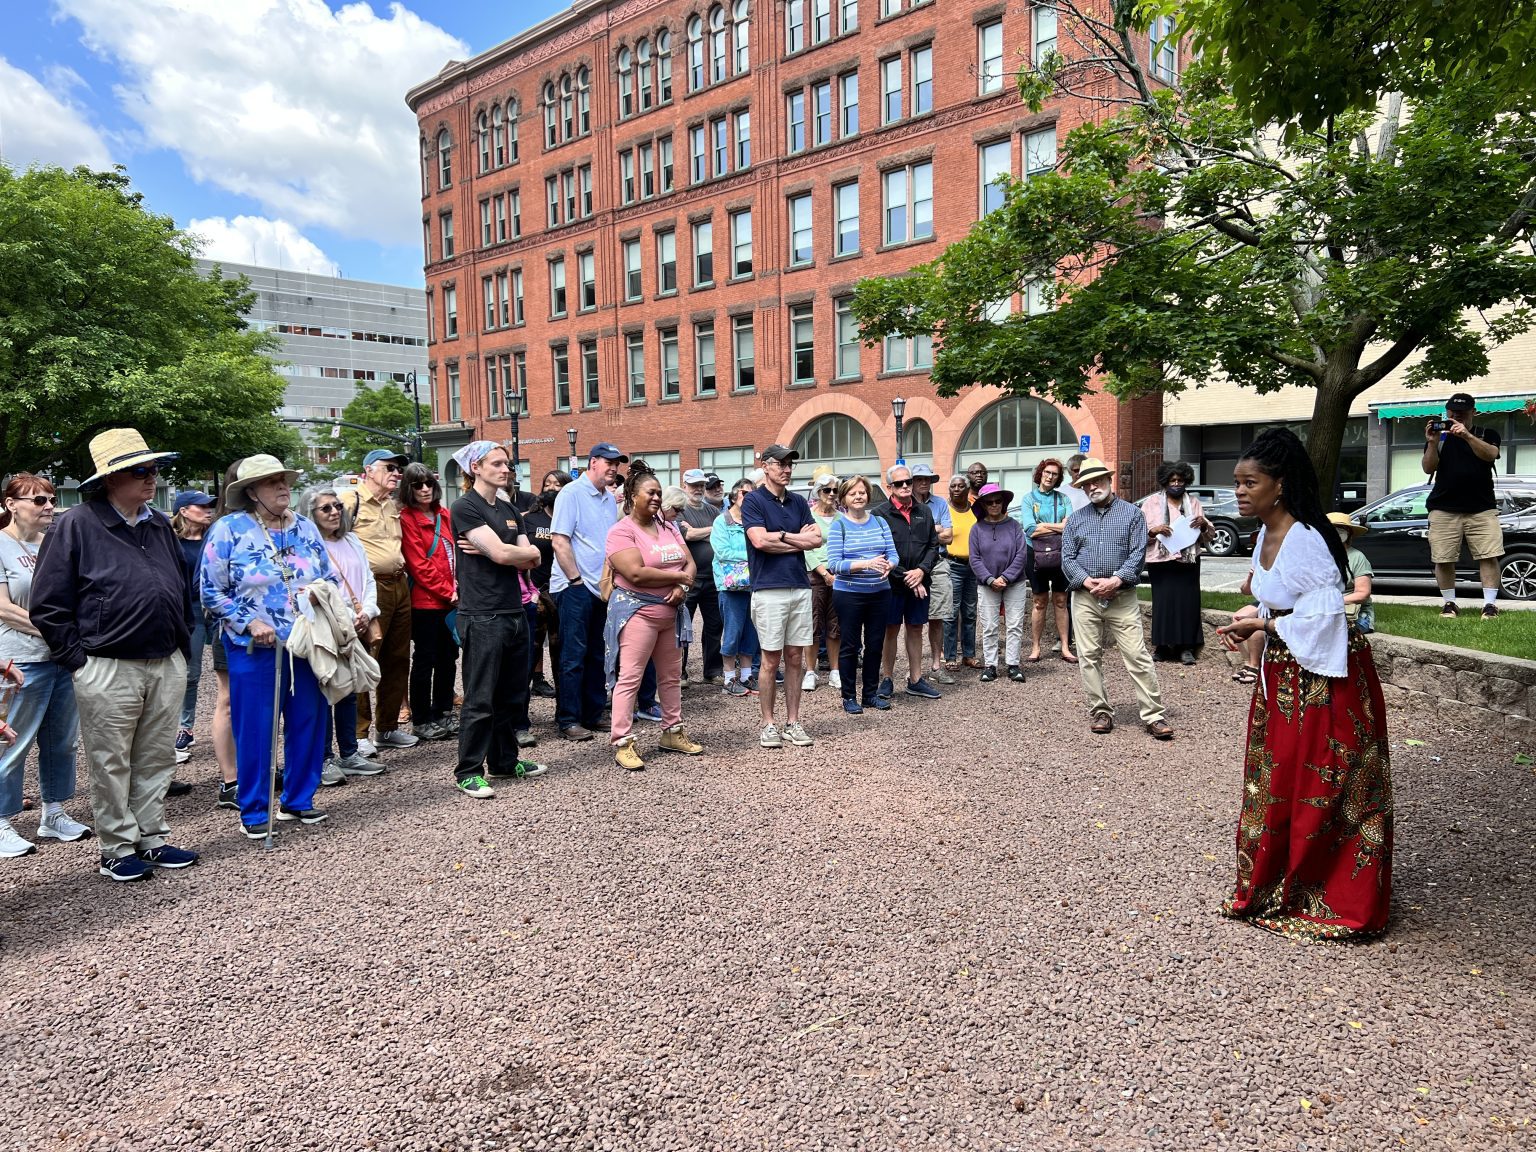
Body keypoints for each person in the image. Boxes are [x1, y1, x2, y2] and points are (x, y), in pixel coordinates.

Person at [1215, 428, 1393, 939]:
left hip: (1324, 677)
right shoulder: (1265, 535)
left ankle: (1329, 895)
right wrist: (1251, 614)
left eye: (1250, 482)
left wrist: (1264, 627)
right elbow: (1281, 600)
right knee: (1282, 778)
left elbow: (1326, 618)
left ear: (1281, 484)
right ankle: (1279, 884)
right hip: (1287, 673)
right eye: (1237, 482)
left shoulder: (1307, 539)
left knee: (1325, 781)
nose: (1240, 492)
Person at [31, 429, 199, 881]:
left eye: (154, 469)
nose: (151, 478)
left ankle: (152, 838)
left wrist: (181, 645)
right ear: (110, 479)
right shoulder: (76, 524)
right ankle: (116, 847)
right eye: (140, 471)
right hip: (106, 665)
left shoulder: (158, 523)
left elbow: (180, 589)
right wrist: (78, 662)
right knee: (110, 760)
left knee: (157, 755)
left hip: (164, 659)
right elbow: (47, 604)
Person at [203, 455, 339, 838]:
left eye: (285, 480)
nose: (283, 488)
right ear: (251, 492)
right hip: (254, 647)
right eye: (272, 482)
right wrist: (250, 620)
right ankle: (254, 809)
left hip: (308, 642)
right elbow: (210, 590)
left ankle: (298, 800)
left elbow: (329, 577)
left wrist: (324, 599)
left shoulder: (307, 528)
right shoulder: (228, 529)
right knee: (257, 729)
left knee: (309, 722)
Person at [449, 441, 547, 797]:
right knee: (480, 696)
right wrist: (512, 553)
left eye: (507, 463)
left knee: (511, 693)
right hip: (483, 613)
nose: (506, 469)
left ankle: (505, 761)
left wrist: (518, 553)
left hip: (514, 609)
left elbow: (529, 555)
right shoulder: (464, 507)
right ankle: (469, 771)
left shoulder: (509, 507)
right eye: (497, 463)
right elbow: (508, 554)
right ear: (476, 467)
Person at [0, 474, 91, 858]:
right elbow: (3, 607)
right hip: (19, 661)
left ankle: (53, 812)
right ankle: (2, 820)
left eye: (51, 499)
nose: (49, 506)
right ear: (10, 504)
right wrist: (55, 631)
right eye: (38, 500)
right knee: (13, 742)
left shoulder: (53, 545)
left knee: (62, 742)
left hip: (60, 658)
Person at [1061, 458, 1173, 739]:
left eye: (1097, 480)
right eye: (1086, 483)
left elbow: (1138, 554)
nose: (1092, 486)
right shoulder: (1076, 519)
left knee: (1136, 654)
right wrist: (1087, 581)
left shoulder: (1133, 515)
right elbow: (1068, 558)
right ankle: (1100, 711)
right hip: (1085, 596)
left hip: (1121, 595)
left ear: (1109, 481)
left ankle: (1153, 715)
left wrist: (1116, 580)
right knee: (1088, 656)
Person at [604, 471, 702, 770]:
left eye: (659, 492)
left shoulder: (669, 526)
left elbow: (690, 562)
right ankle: (622, 741)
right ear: (633, 496)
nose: (657, 497)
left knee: (671, 677)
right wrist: (677, 577)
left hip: (670, 613)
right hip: (637, 613)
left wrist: (681, 587)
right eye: (650, 492)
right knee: (630, 678)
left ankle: (672, 732)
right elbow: (634, 573)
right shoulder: (621, 532)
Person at [300, 485, 386, 784]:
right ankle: (323, 758)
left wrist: (369, 611)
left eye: (337, 506)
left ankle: (349, 753)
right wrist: (350, 616)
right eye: (326, 508)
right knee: (324, 690)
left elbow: (368, 577)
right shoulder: (309, 546)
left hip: (357, 622)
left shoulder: (351, 539)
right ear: (311, 514)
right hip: (328, 625)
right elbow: (320, 587)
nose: (335, 512)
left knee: (350, 690)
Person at [741, 445, 821, 748]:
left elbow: (816, 539)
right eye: (781, 464)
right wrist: (796, 540)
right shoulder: (754, 500)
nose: (786, 469)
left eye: (790, 465)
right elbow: (760, 541)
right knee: (770, 659)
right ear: (765, 466)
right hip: (769, 588)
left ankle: (792, 721)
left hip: (799, 586)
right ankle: (768, 723)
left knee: (795, 657)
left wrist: (783, 536)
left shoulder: (799, 501)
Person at [550, 443, 625, 740]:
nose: (613, 468)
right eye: (608, 462)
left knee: (597, 653)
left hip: (600, 587)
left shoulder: (608, 498)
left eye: (616, 464)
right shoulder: (571, 493)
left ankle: (592, 713)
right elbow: (559, 541)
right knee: (573, 655)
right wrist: (576, 580)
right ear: (592, 462)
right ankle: (568, 719)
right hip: (574, 587)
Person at [350, 448, 417, 753]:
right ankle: (359, 734)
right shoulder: (351, 501)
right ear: (368, 470)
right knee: (366, 658)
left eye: (397, 469)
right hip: (369, 588)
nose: (395, 474)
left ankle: (387, 728)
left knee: (398, 657)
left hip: (399, 584)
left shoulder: (392, 505)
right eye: (389, 468)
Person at [1423, 392, 1504, 618]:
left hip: (1482, 507)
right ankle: (1449, 604)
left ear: (1473, 412)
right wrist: (1432, 442)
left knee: (1488, 555)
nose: (1456, 415)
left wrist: (1467, 436)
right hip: (1443, 508)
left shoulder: (1487, 434)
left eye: (1462, 412)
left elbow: (1490, 454)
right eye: (1452, 412)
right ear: (1447, 412)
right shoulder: (1440, 438)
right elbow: (1428, 469)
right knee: (1443, 557)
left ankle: (1490, 605)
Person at [825, 475, 897, 714]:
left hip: (880, 593)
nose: (858, 496)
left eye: (862, 493)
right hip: (849, 594)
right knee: (850, 645)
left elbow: (893, 554)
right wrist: (865, 564)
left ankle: (869, 694)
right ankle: (848, 696)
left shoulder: (879, 522)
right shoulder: (839, 525)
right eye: (853, 493)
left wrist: (890, 566)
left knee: (875, 644)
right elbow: (834, 564)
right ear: (844, 498)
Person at [398, 463, 459, 742]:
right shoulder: (406, 519)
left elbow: (456, 553)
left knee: (449, 659)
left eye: (428, 484)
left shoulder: (444, 515)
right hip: (426, 602)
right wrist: (449, 591)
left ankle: (443, 711)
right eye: (417, 485)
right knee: (425, 659)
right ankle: (422, 719)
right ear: (408, 489)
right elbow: (419, 565)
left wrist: (458, 587)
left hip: (450, 598)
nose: (424, 489)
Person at [871, 464, 942, 701]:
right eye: (899, 483)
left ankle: (915, 679)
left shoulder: (925, 512)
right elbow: (880, 551)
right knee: (890, 630)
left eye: (908, 482)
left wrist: (921, 571)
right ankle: (887, 678)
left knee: (915, 628)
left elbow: (933, 545)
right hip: (891, 583)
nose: (905, 487)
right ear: (889, 487)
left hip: (920, 581)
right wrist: (908, 577)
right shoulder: (880, 514)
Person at [1143, 460, 1211, 666]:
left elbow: (1208, 534)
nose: (1176, 483)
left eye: (1180, 480)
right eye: (1172, 480)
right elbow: (1139, 533)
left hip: (1188, 561)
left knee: (1187, 604)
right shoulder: (1152, 503)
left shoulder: (1194, 503)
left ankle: (1186, 648)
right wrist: (1154, 530)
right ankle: (1162, 646)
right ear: (1164, 482)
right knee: (1163, 604)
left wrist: (1203, 524)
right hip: (1161, 562)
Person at [170, 490, 216, 768]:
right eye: (201, 506)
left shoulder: (216, 537)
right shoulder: (172, 542)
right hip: (192, 610)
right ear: (184, 511)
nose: (208, 510)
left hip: (217, 608)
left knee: (229, 668)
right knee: (190, 672)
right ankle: (185, 727)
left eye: (210, 506)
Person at [1018, 458, 1076, 665]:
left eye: (1055, 474)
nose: (1050, 477)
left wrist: (1045, 526)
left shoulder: (1063, 499)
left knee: (1061, 601)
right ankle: (1035, 647)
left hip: (1060, 553)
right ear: (1040, 473)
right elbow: (1030, 530)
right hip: (1035, 554)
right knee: (1039, 601)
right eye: (1047, 472)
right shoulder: (1028, 499)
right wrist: (1057, 525)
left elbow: (1070, 527)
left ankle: (1065, 647)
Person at [969, 483, 1029, 683]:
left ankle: (1013, 664)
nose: (994, 505)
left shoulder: (1014, 526)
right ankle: (990, 665)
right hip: (987, 584)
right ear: (983, 505)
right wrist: (989, 579)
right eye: (989, 502)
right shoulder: (977, 529)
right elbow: (974, 558)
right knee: (989, 626)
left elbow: (1021, 555)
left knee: (1014, 624)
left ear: (1003, 503)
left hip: (1015, 583)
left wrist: (1006, 577)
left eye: (998, 501)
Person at [711, 480, 761, 697]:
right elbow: (722, 552)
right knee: (732, 631)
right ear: (733, 497)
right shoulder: (722, 521)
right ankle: (729, 679)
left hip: (753, 584)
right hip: (730, 586)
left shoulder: (754, 521)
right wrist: (753, 557)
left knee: (751, 632)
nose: (748, 497)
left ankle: (746, 676)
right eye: (744, 493)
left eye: (753, 494)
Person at [522, 474, 569, 699]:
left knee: (561, 650)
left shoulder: (569, 517)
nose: (551, 488)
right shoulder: (530, 518)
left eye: (557, 484)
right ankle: (519, 718)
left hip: (561, 591)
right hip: (535, 592)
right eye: (547, 483)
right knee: (530, 650)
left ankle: (566, 709)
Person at [678, 468, 724, 688]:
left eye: (701, 485)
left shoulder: (713, 511)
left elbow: (720, 537)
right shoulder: (680, 509)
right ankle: (680, 672)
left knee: (715, 625)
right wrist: (704, 532)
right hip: (688, 578)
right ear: (684, 485)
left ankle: (713, 670)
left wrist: (699, 533)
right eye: (694, 484)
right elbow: (685, 536)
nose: (698, 489)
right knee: (683, 626)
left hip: (713, 577)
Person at [911, 464, 955, 686]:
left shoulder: (939, 503)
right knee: (911, 620)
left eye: (928, 478)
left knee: (937, 616)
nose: (924, 482)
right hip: (911, 565)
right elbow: (909, 536)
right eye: (919, 478)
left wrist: (928, 532)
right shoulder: (905, 503)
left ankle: (937, 666)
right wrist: (935, 528)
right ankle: (914, 670)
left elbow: (948, 537)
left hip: (937, 564)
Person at [802, 468, 841, 691]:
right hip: (815, 575)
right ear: (818, 491)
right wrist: (824, 574)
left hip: (838, 575)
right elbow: (806, 548)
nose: (832, 493)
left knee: (836, 624)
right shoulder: (809, 517)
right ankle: (810, 671)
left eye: (835, 490)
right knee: (813, 624)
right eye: (827, 489)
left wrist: (835, 573)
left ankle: (835, 671)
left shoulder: (841, 518)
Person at [943, 474, 980, 669]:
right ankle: (950, 657)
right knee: (951, 613)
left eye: (960, 486)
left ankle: (969, 655)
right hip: (952, 566)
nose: (956, 489)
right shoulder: (945, 511)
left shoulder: (975, 511)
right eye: (953, 486)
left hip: (973, 567)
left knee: (970, 612)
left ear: (967, 490)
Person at [1330, 512, 1376, 633]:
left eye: (1341, 529)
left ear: (1348, 533)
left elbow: (1363, 593)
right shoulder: (1317, 556)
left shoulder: (1357, 557)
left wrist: (1332, 602)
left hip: (1354, 615)